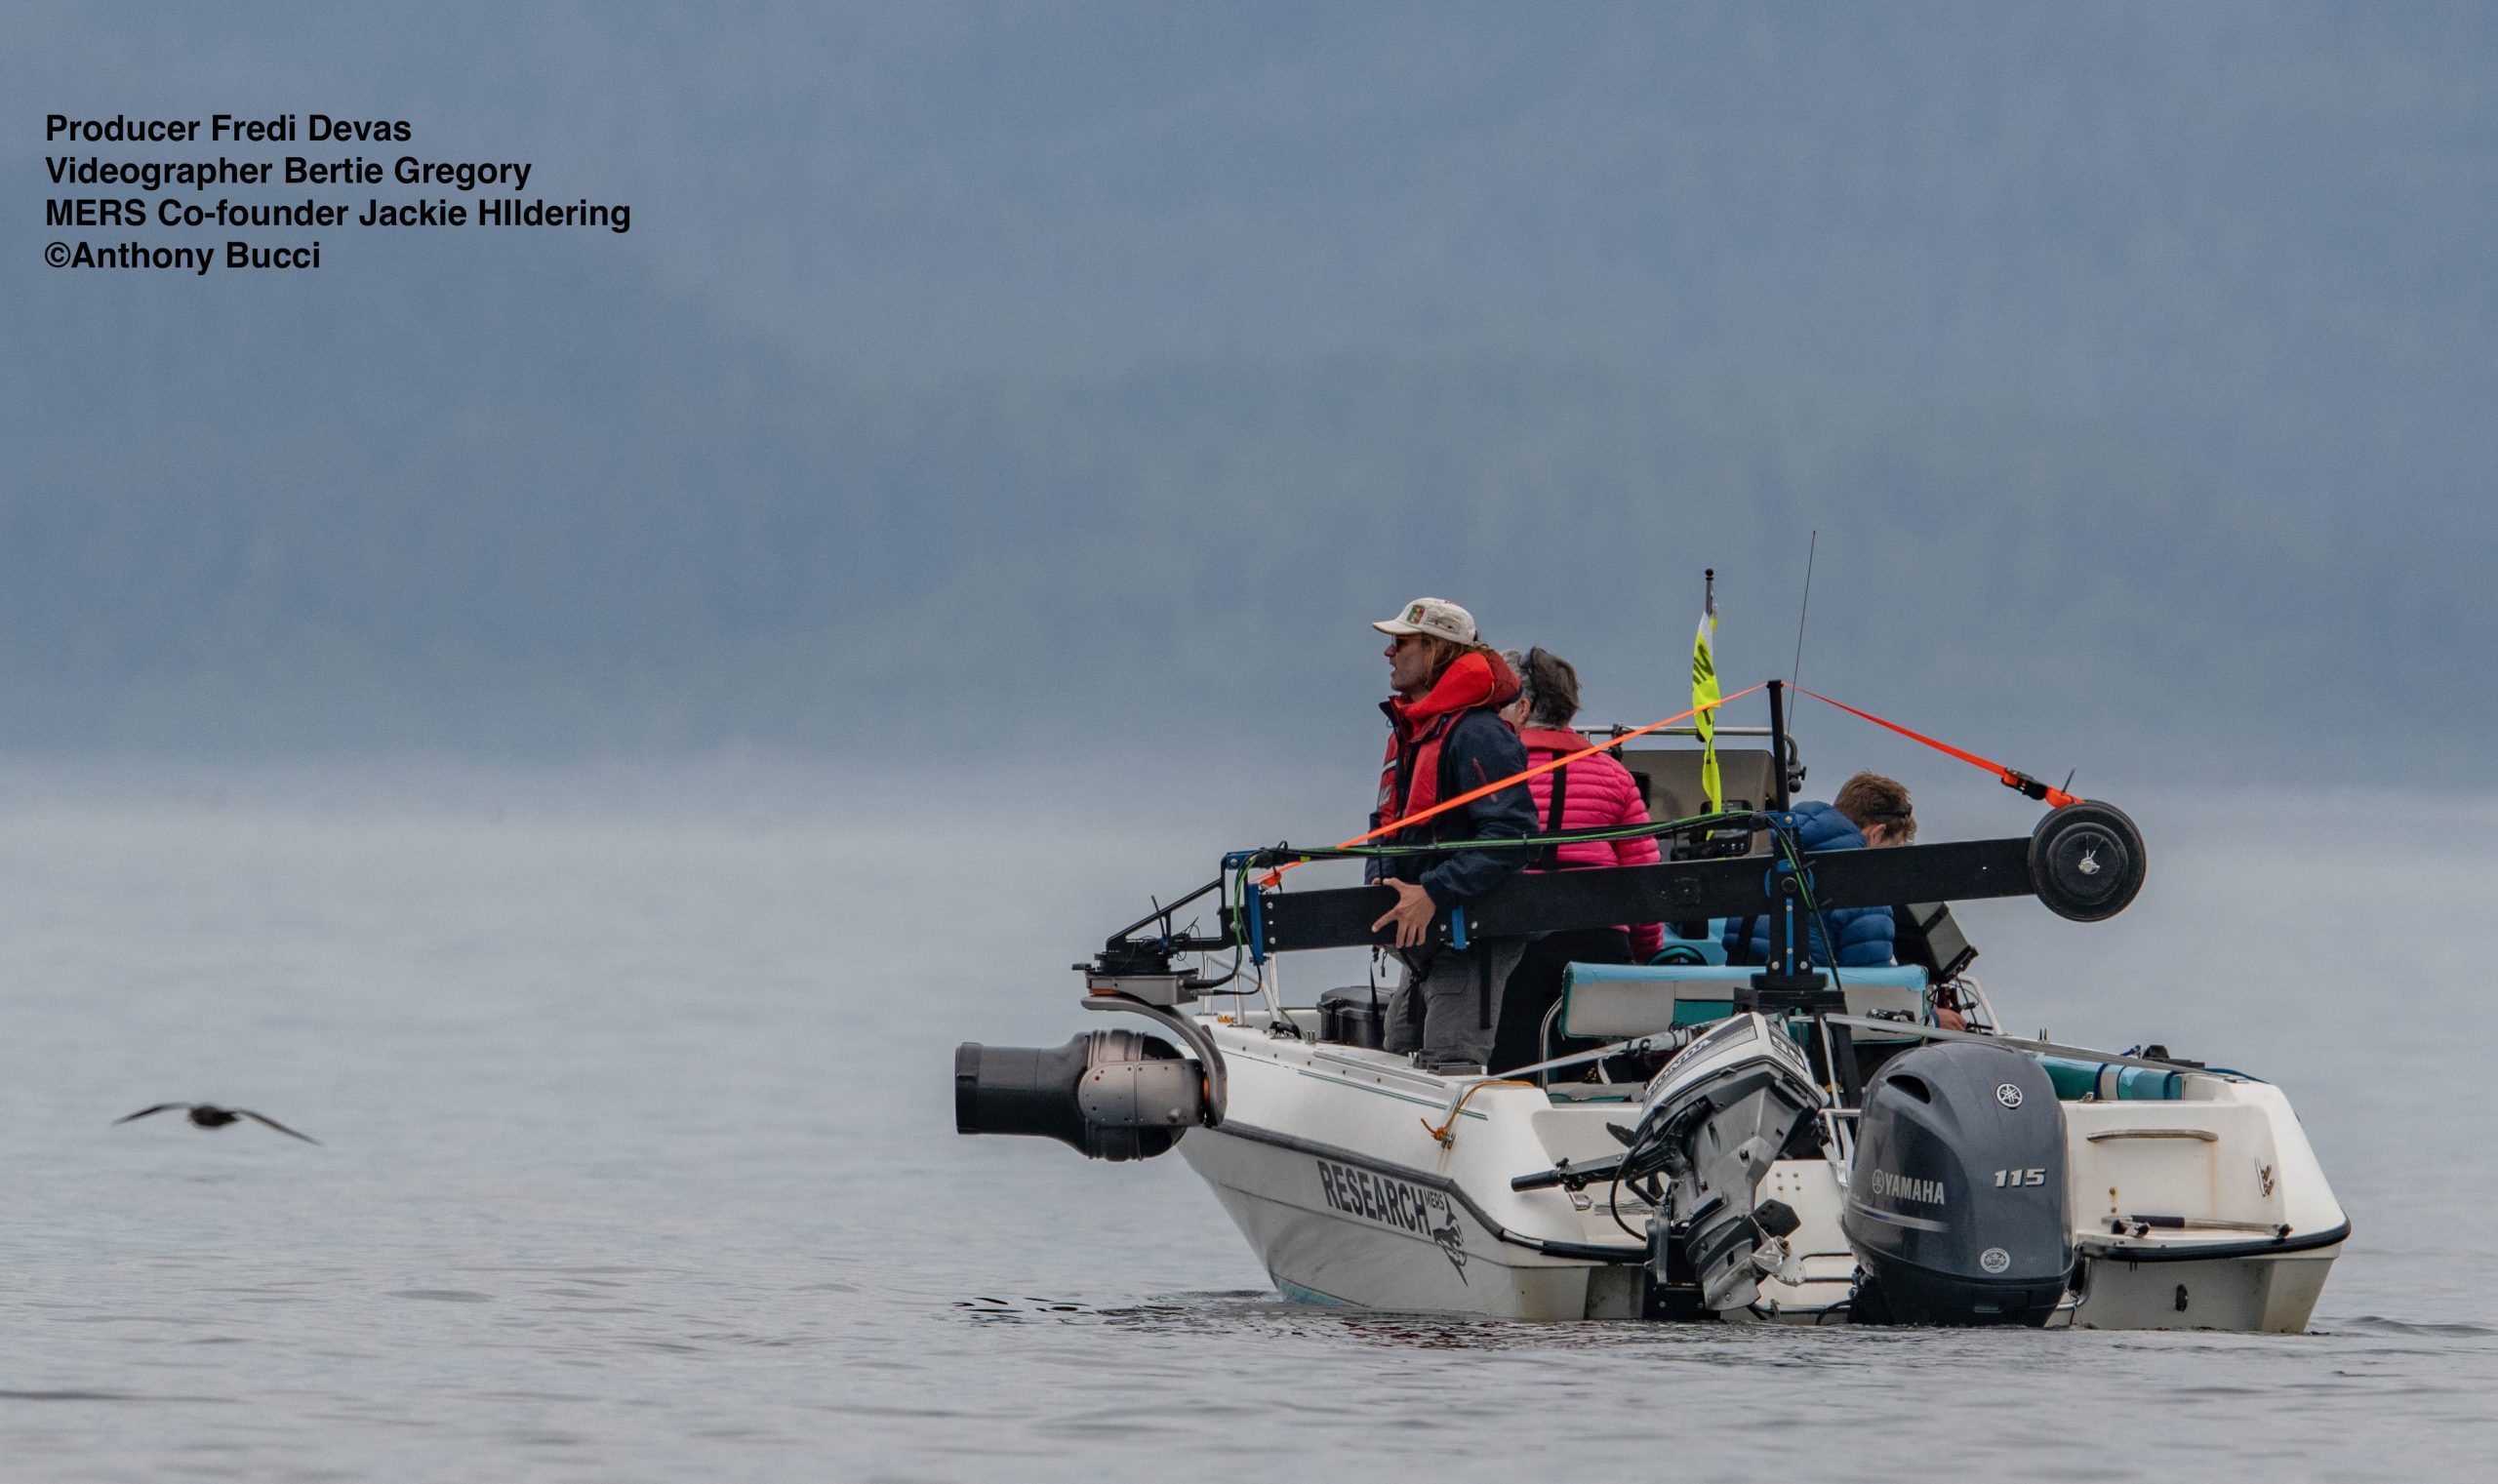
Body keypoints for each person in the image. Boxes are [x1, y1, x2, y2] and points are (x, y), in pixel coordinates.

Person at [1366, 597, 1537, 1069]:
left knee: (1450, 1066)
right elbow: (1384, 824)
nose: (1389, 653)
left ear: (1437, 650)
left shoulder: (1479, 733)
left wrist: (1433, 891)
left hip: (1469, 941)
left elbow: (1514, 836)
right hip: (1421, 940)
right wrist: (1378, 883)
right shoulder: (1415, 730)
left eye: (1400, 642)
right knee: (1397, 1054)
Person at [1489, 647, 1666, 1074]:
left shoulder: (1492, 773)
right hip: (1600, 947)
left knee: (1513, 1077)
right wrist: (1645, 953)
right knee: (1601, 1076)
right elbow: (1645, 879)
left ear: (1521, 706)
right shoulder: (1614, 776)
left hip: (1515, 950)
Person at [1722, 771, 1916, 968]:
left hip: (1740, 993)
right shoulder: (1864, 889)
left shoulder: (1758, 864)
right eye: (1892, 850)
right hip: (1813, 996)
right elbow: (1874, 987)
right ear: (1877, 833)